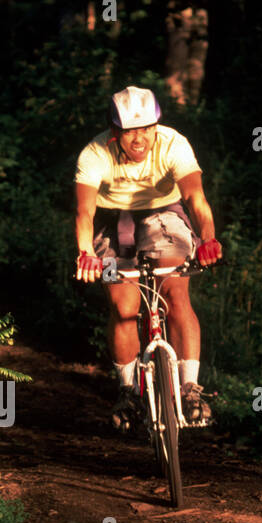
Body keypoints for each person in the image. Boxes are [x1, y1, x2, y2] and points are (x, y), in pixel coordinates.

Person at [74, 85, 222, 430]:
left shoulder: (174, 144)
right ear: (115, 133)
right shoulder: (94, 154)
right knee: (123, 307)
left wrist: (208, 239)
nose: (139, 139)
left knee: (174, 291)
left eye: (146, 128)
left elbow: (196, 200)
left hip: (164, 214)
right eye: (129, 131)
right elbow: (84, 213)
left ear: (156, 126)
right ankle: (128, 392)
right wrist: (85, 253)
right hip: (112, 220)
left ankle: (190, 389)